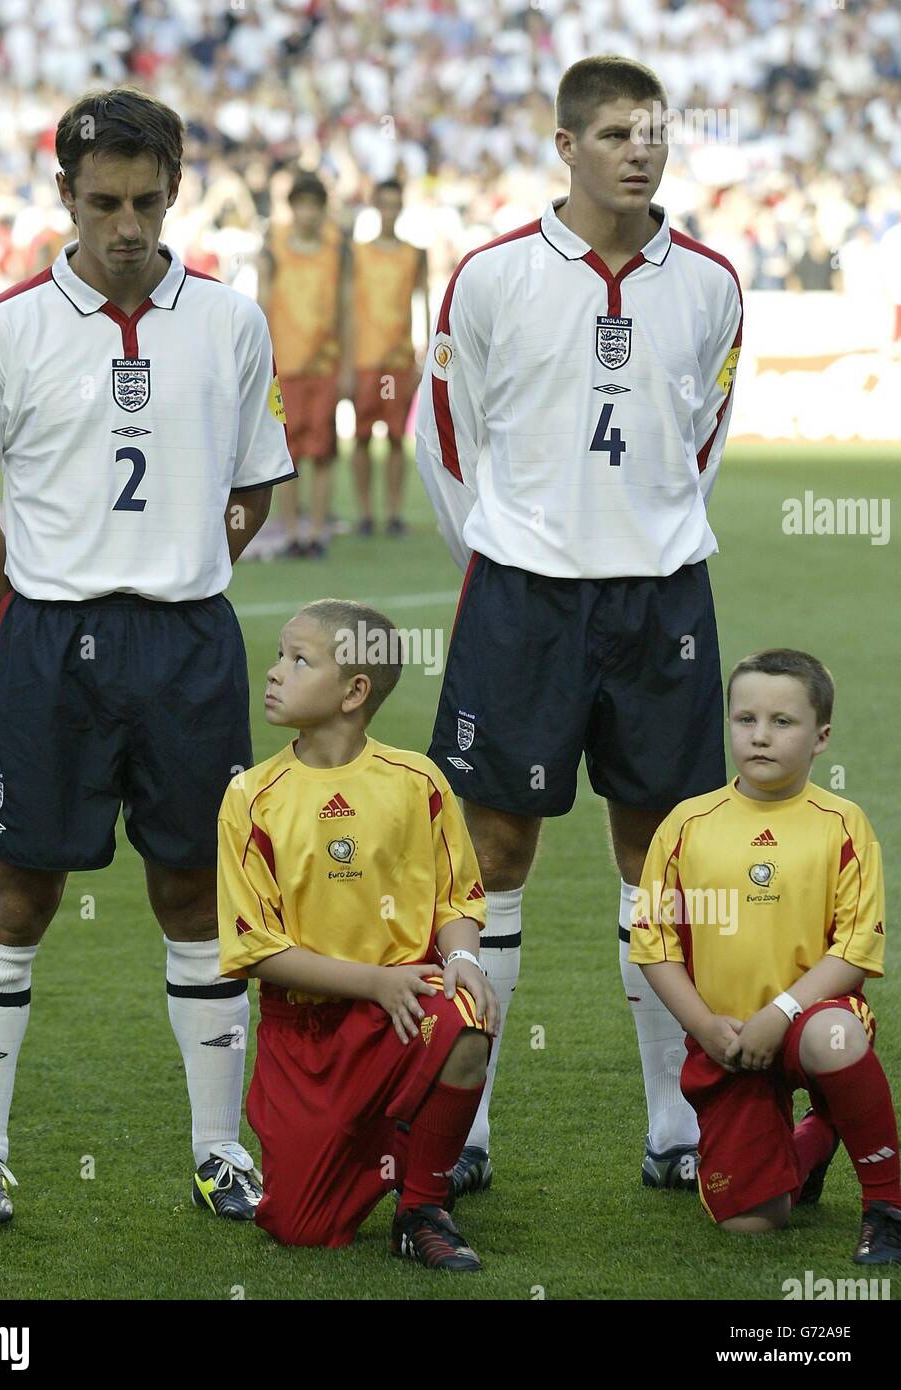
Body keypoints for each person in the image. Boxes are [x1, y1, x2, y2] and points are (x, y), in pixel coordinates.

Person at [0, 87, 296, 1227]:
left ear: (176, 189)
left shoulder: (230, 320)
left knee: (196, 892)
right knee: (18, 891)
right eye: (101, 203)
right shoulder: (8, 326)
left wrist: (176, 566)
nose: (124, 225)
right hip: (53, 643)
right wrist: (35, 601)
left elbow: (256, 483)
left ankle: (218, 1150)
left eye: (144, 199)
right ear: (65, 198)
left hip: (189, 642)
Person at [415, 54, 744, 1198]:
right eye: (613, 133)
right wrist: (513, 552)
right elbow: (446, 442)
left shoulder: (710, 281)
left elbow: (704, 437)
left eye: (652, 131)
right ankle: (469, 1126)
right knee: (495, 855)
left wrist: (642, 534)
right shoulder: (493, 277)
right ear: (565, 147)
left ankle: (672, 1126)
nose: (639, 149)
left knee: (658, 861)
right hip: (525, 598)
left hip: (661, 601)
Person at [217, 599, 499, 1269]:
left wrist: (460, 957)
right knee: (300, 1228)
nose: (275, 672)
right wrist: (371, 980)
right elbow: (255, 949)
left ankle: (421, 1206)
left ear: (354, 692)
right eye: (280, 656)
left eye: (299, 660)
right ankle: (396, 1134)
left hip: (401, 1012)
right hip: (306, 1034)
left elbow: (457, 894)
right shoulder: (252, 796)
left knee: (463, 1017)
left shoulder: (415, 780)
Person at [631, 649, 899, 1263]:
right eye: (745, 719)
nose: (760, 736)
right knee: (754, 1223)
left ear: (821, 737)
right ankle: (818, 1134)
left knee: (836, 1037)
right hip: (725, 1040)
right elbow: (655, 945)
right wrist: (705, 1027)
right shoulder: (686, 824)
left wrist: (778, 1013)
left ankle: (887, 1206)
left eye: (783, 722)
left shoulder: (843, 823)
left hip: (809, 1021)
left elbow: (854, 952)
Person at [257, 172, 352, 558]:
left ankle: (316, 532)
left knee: (324, 451)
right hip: (285, 368)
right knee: (288, 454)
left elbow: (347, 310)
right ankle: (292, 533)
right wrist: (262, 364)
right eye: (302, 205)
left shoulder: (337, 250)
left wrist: (347, 365)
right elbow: (261, 308)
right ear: (292, 207)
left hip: (324, 366)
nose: (309, 214)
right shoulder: (273, 249)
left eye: (316, 206)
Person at [350, 179, 429, 537]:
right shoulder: (358, 253)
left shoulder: (414, 253)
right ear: (374, 206)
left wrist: (423, 352)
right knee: (363, 436)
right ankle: (366, 513)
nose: (389, 211)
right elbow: (347, 306)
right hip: (366, 358)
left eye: (395, 204)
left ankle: (394, 513)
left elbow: (422, 302)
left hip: (398, 360)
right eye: (383, 204)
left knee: (397, 437)